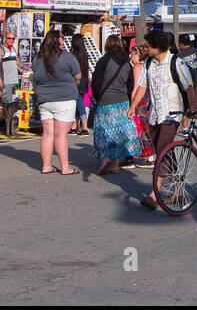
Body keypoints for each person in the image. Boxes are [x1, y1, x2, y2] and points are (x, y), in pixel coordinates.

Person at [130, 30, 182, 211]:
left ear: (158, 47)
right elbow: (142, 86)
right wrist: (133, 107)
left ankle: (155, 193)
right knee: (166, 150)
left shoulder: (176, 62)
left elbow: (188, 85)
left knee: (162, 149)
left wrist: (191, 110)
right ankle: (178, 187)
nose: (146, 48)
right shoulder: (149, 63)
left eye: (149, 45)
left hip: (172, 114)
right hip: (155, 114)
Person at [90, 35, 141, 174]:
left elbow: (96, 83)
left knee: (104, 131)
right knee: (118, 133)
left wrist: (99, 97)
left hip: (106, 101)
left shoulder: (103, 60)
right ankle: (115, 165)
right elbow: (130, 83)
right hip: (122, 101)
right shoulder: (127, 61)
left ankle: (105, 159)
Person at [33, 31, 81, 176]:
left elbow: (35, 74)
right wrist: (73, 83)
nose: (63, 40)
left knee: (47, 134)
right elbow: (78, 75)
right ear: (57, 41)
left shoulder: (38, 57)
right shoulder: (66, 56)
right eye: (62, 37)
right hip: (64, 99)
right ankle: (65, 167)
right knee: (61, 135)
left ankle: (46, 166)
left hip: (44, 99)